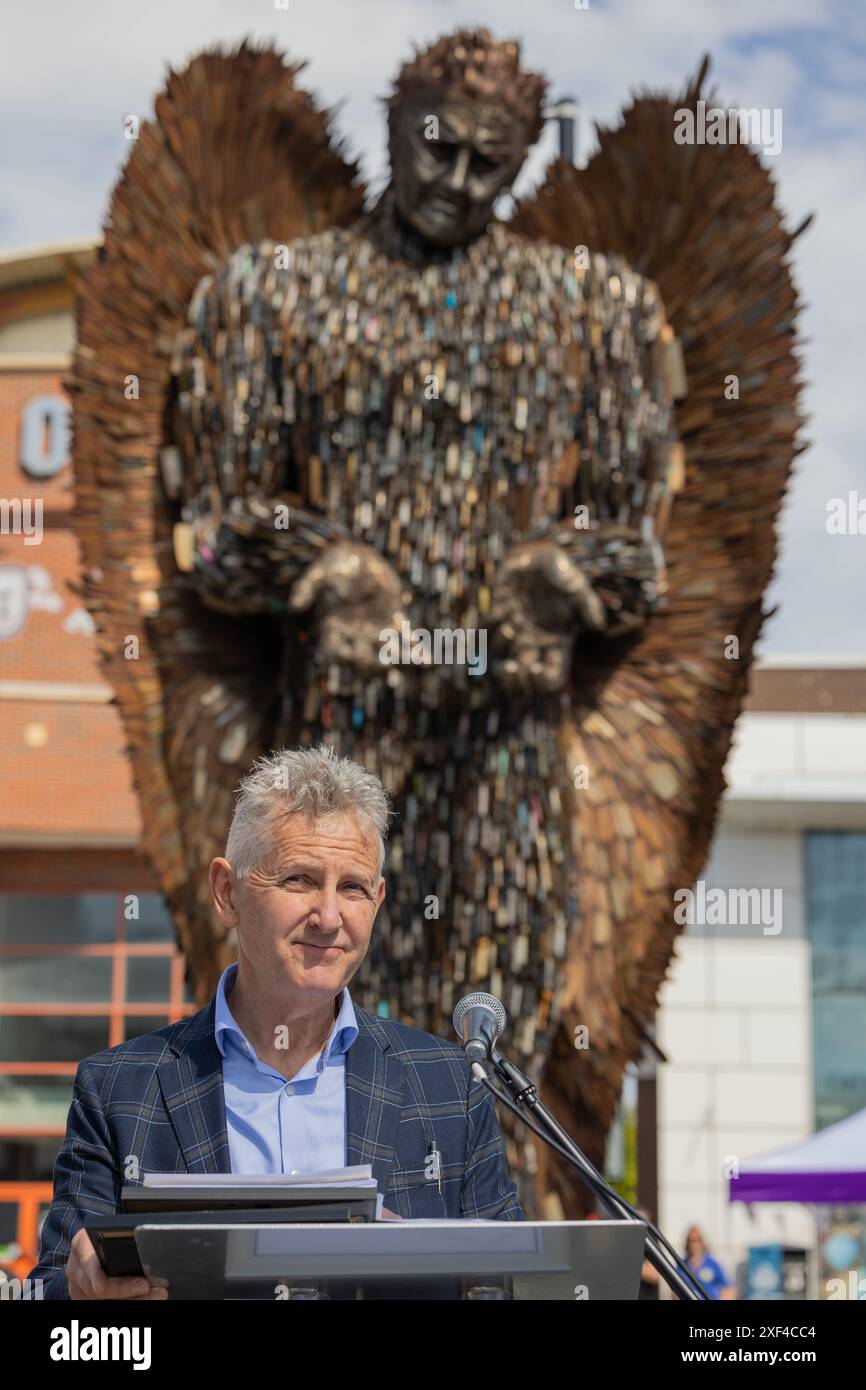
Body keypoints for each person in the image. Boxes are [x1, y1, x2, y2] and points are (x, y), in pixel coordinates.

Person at [29, 745, 523, 1300]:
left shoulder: (450, 1087)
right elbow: (55, 1309)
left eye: (353, 888)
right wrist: (77, 1293)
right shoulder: (118, 1090)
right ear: (227, 892)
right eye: (299, 880)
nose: (329, 917)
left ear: (378, 901)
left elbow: (504, 1285)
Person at [684, 1224, 735, 1299]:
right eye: (692, 1241)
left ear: (702, 1242)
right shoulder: (681, 1267)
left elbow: (728, 1289)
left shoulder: (713, 1264)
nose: (694, 1244)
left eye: (698, 1240)